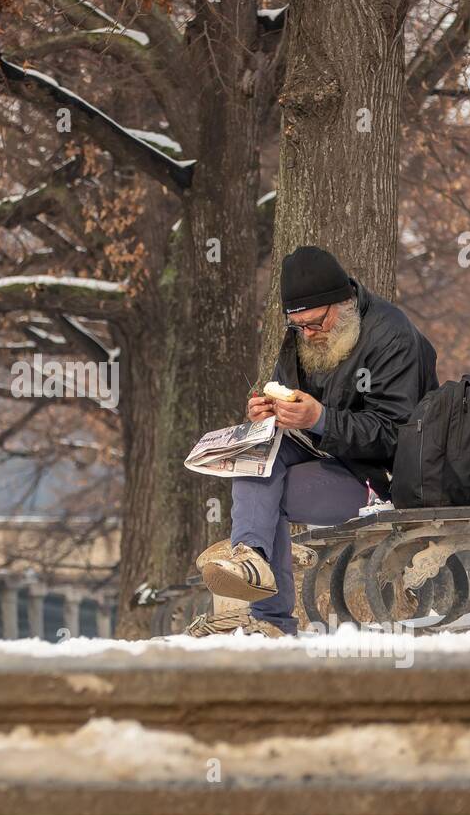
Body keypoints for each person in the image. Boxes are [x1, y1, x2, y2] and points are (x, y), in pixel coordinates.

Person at [187, 246, 439, 637]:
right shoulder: (304, 335)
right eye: (298, 326)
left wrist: (320, 418)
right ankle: (250, 558)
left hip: (380, 475)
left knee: (272, 495)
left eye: (315, 324)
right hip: (322, 452)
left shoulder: (391, 335)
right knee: (254, 458)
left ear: (343, 303)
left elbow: (394, 434)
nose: (307, 334)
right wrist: (267, 413)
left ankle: (270, 616)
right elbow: (288, 395)